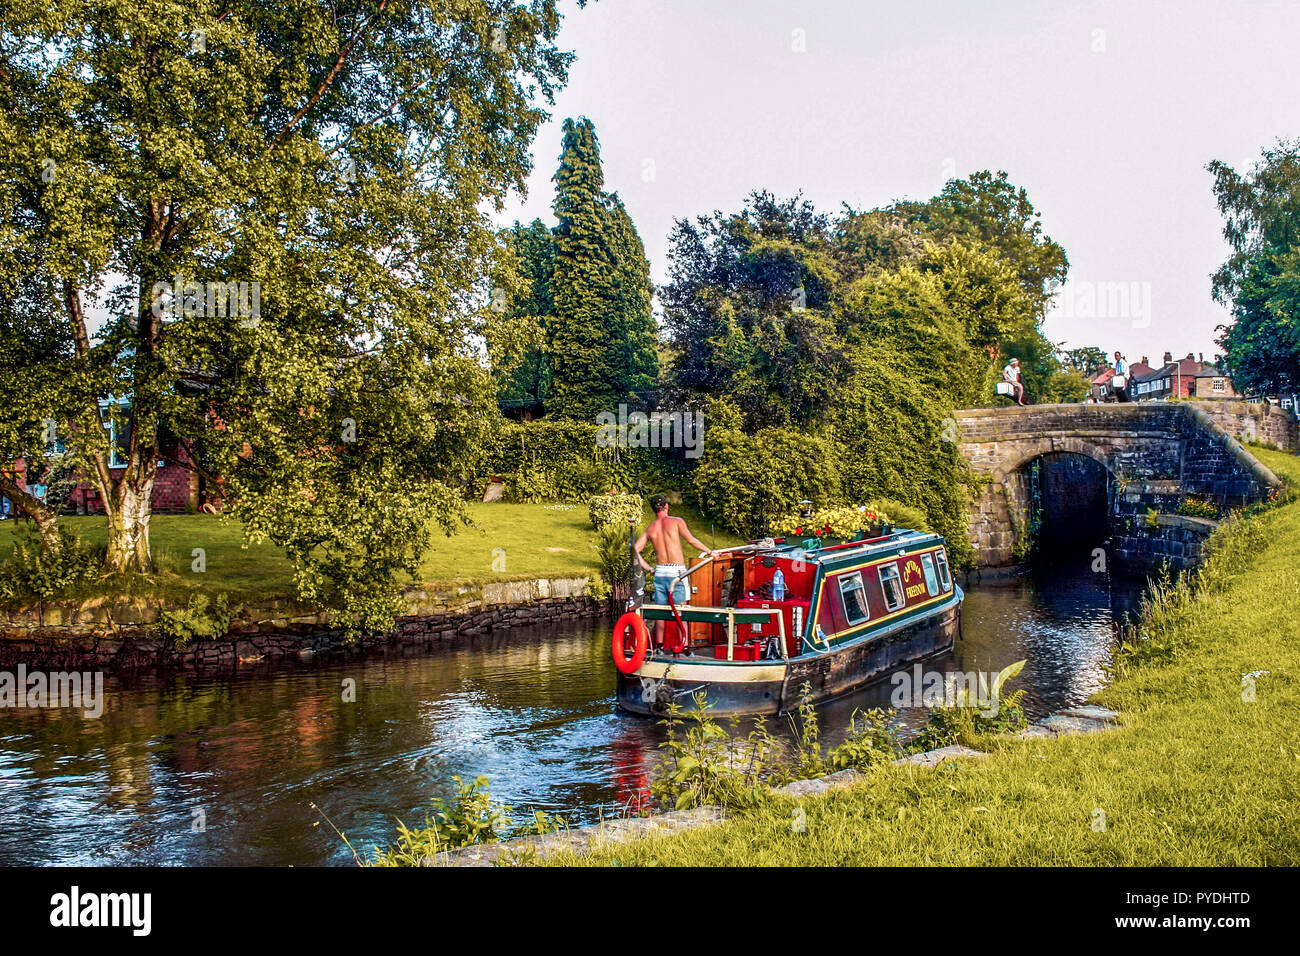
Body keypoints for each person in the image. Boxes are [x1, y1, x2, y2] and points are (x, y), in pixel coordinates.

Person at [635, 494, 712, 650]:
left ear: (653, 510)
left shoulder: (651, 528)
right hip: (677, 573)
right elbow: (691, 540)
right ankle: (684, 646)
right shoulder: (677, 522)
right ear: (667, 506)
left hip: (660, 573)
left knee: (660, 612)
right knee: (681, 610)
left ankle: (660, 647)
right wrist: (710, 551)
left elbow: (634, 551)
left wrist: (649, 568)